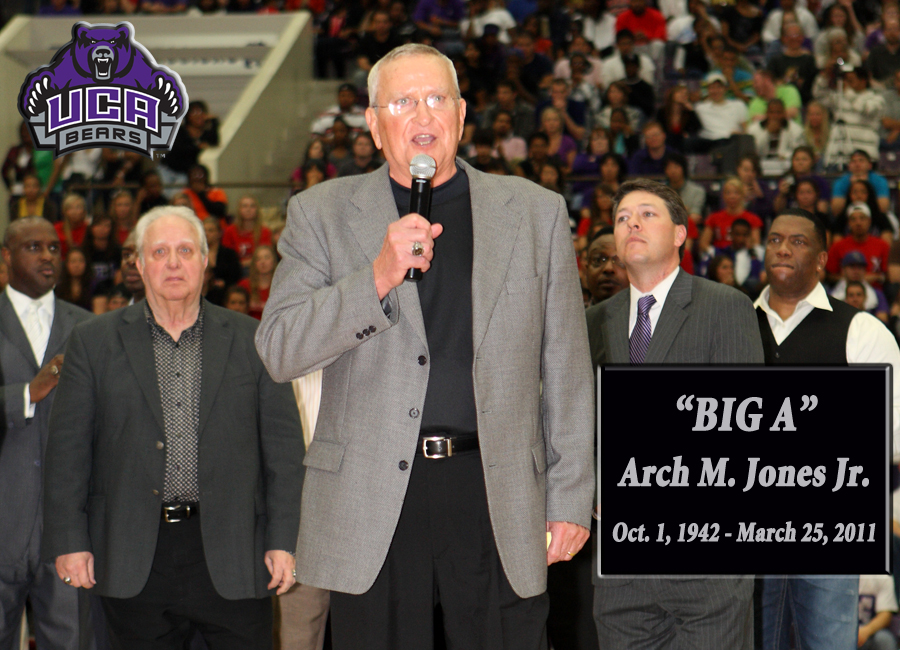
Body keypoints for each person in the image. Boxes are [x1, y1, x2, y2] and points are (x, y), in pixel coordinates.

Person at [255, 43, 594, 650]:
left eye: (437, 99)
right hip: (373, 498)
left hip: (497, 492)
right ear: (374, 124)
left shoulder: (535, 213)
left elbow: (566, 366)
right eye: (404, 101)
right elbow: (280, 347)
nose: (423, 115)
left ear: (462, 115)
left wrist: (571, 495)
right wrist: (377, 277)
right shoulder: (321, 214)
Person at [41, 206, 305, 649]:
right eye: (159, 252)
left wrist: (286, 540)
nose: (173, 262)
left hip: (235, 551)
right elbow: (68, 452)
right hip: (131, 553)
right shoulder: (93, 342)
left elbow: (283, 453)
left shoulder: (253, 339)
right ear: (139, 264)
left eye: (185, 250)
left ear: (205, 260)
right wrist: (70, 539)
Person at [587, 178, 763, 647]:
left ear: (681, 234)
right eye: (622, 218)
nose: (632, 224)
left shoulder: (727, 307)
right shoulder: (592, 321)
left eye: (647, 214)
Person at [755, 208, 900, 650]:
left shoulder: (860, 330)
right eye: (776, 238)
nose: (783, 247)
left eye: (797, 241)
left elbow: (887, 436)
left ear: (822, 259)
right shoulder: (735, 321)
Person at [0, 217, 94, 650]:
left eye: (53, 248)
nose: (47, 256)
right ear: (6, 257)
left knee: (72, 640)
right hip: (3, 523)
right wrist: (25, 394)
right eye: (33, 247)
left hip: (67, 533)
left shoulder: (90, 329)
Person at [584, 226, 628, 305]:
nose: (609, 268)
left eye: (620, 261)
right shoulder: (570, 316)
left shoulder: (649, 316)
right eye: (598, 260)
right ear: (586, 272)